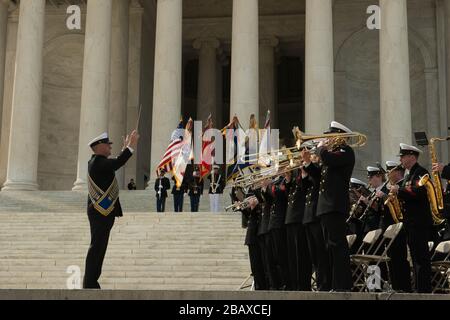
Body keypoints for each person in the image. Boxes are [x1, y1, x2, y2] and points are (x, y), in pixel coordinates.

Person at [83, 130, 139, 289]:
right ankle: (89, 283)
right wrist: (130, 146)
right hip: (100, 212)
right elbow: (117, 162)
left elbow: (114, 162)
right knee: (97, 248)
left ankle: (92, 282)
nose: (109, 147)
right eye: (107, 144)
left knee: (100, 248)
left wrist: (125, 149)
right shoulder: (97, 162)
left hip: (103, 212)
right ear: (99, 146)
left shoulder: (98, 162)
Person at [315, 121, 355, 291]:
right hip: (326, 206)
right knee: (329, 247)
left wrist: (321, 150)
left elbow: (329, 159)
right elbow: (320, 175)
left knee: (338, 246)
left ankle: (342, 286)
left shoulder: (346, 151)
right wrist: (309, 163)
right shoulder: (332, 155)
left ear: (339, 137)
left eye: (330, 136)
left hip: (335, 205)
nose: (327, 140)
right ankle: (333, 285)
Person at [389, 143, 432, 293]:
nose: (401, 159)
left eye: (403, 156)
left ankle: (424, 290)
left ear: (412, 157)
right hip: (410, 221)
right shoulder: (409, 174)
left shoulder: (421, 172)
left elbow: (419, 191)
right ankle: (419, 288)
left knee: (421, 257)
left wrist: (399, 190)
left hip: (419, 221)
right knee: (414, 256)